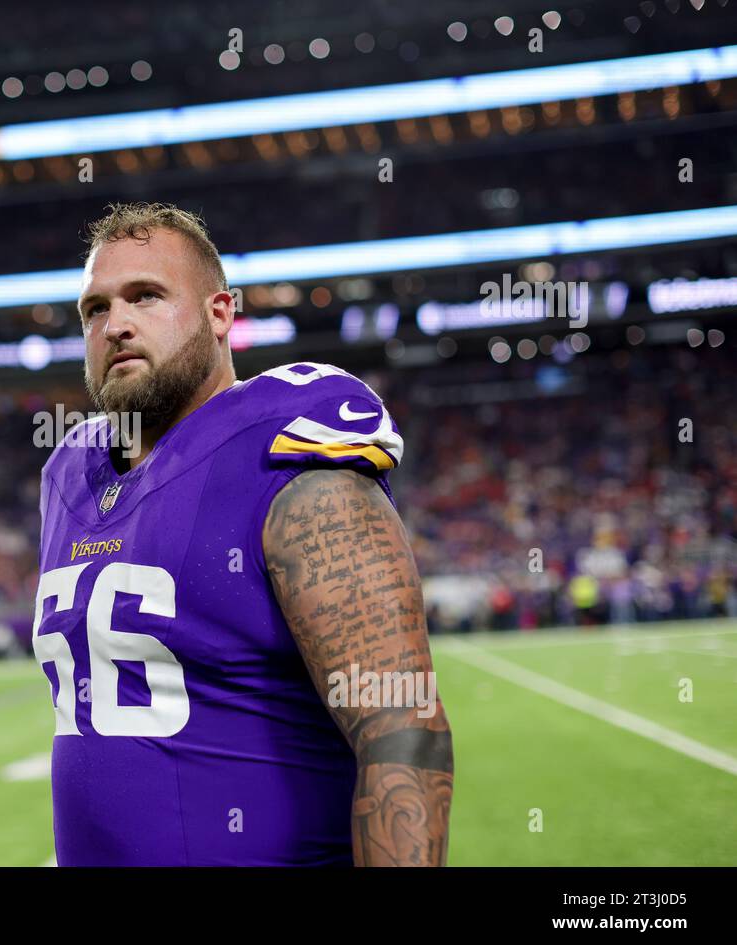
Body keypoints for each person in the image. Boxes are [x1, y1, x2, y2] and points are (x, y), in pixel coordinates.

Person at [33, 202, 452, 865]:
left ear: (220, 313)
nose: (115, 325)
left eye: (146, 296)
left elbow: (402, 731)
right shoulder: (70, 478)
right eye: (94, 308)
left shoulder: (286, 452)